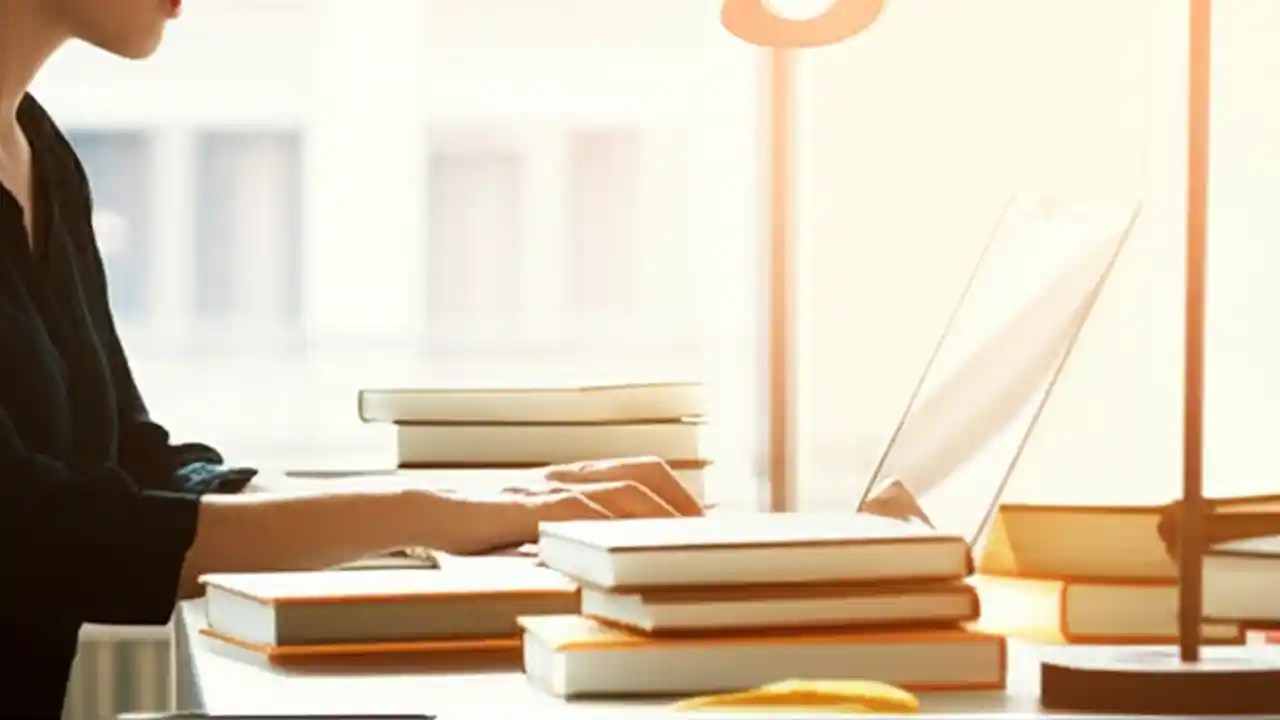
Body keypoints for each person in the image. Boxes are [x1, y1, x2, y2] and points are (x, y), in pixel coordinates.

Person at [0, 1, 702, 716]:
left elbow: (134, 463)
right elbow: (33, 536)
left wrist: (494, 499)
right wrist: (417, 512)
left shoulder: (40, 151)